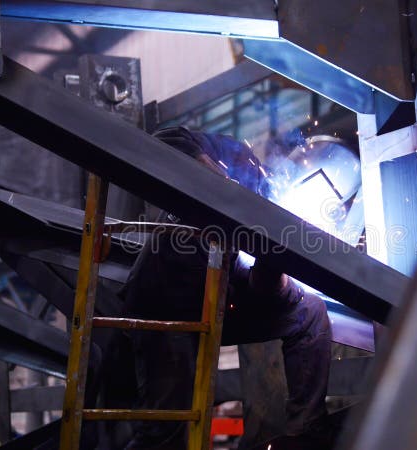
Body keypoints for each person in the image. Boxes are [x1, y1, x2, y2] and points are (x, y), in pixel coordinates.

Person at [114, 127, 334, 450]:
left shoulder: (269, 206)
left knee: (309, 313)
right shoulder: (232, 155)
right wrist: (217, 185)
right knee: (169, 434)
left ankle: (308, 434)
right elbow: (166, 139)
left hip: (215, 300)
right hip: (164, 304)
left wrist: (282, 272)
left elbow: (263, 290)